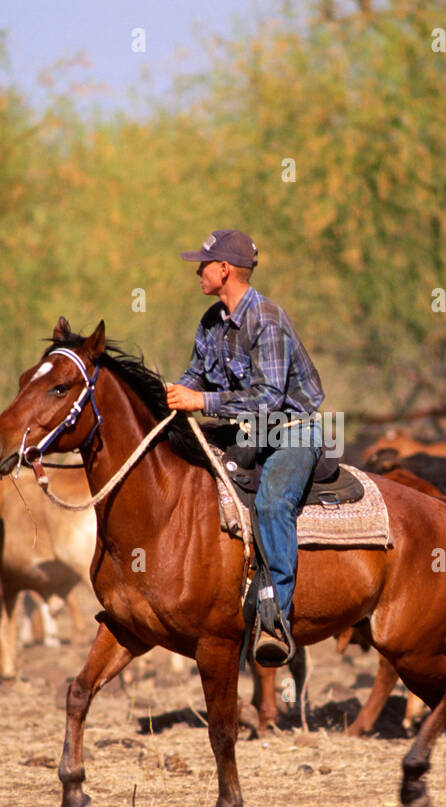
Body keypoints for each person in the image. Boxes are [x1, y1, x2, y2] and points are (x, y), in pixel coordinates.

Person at [165, 229, 324, 667]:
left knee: (272, 503)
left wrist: (201, 402)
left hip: (290, 429)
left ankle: (275, 616)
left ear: (224, 270)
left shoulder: (267, 319)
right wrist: (171, 394)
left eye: (203, 264)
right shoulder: (211, 321)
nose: (197, 271)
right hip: (245, 429)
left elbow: (269, 399)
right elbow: (194, 377)